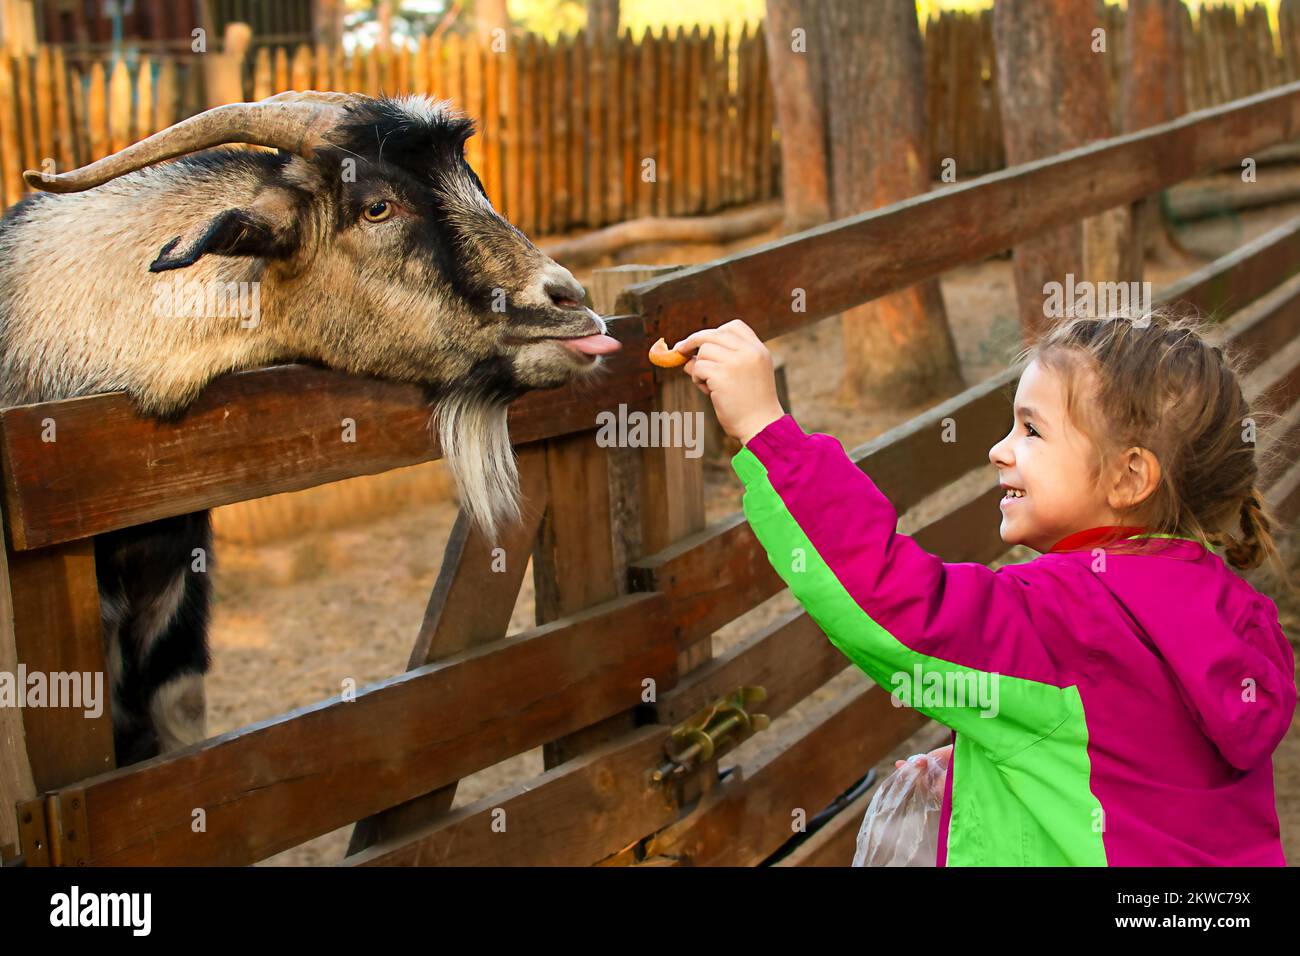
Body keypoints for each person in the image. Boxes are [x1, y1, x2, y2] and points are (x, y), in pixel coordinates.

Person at [670, 312, 1296, 866]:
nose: (999, 450)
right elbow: (1129, 762)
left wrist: (765, 430)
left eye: (1032, 431)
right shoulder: (1237, 616)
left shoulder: (1066, 614)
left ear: (1130, 475)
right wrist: (992, 758)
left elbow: (895, 604)